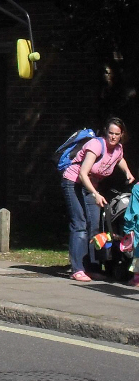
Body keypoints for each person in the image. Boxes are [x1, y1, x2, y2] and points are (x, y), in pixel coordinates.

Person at [61, 117, 134, 282]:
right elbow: (82, 173)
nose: (113, 137)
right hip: (74, 183)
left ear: (121, 135)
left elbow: (119, 158)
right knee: (79, 225)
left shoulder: (118, 148)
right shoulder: (96, 144)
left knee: (95, 227)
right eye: (110, 133)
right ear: (105, 132)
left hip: (91, 186)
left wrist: (127, 172)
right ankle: (77, 268)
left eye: (117, 134)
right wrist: (95, 193)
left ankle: (93, 268)